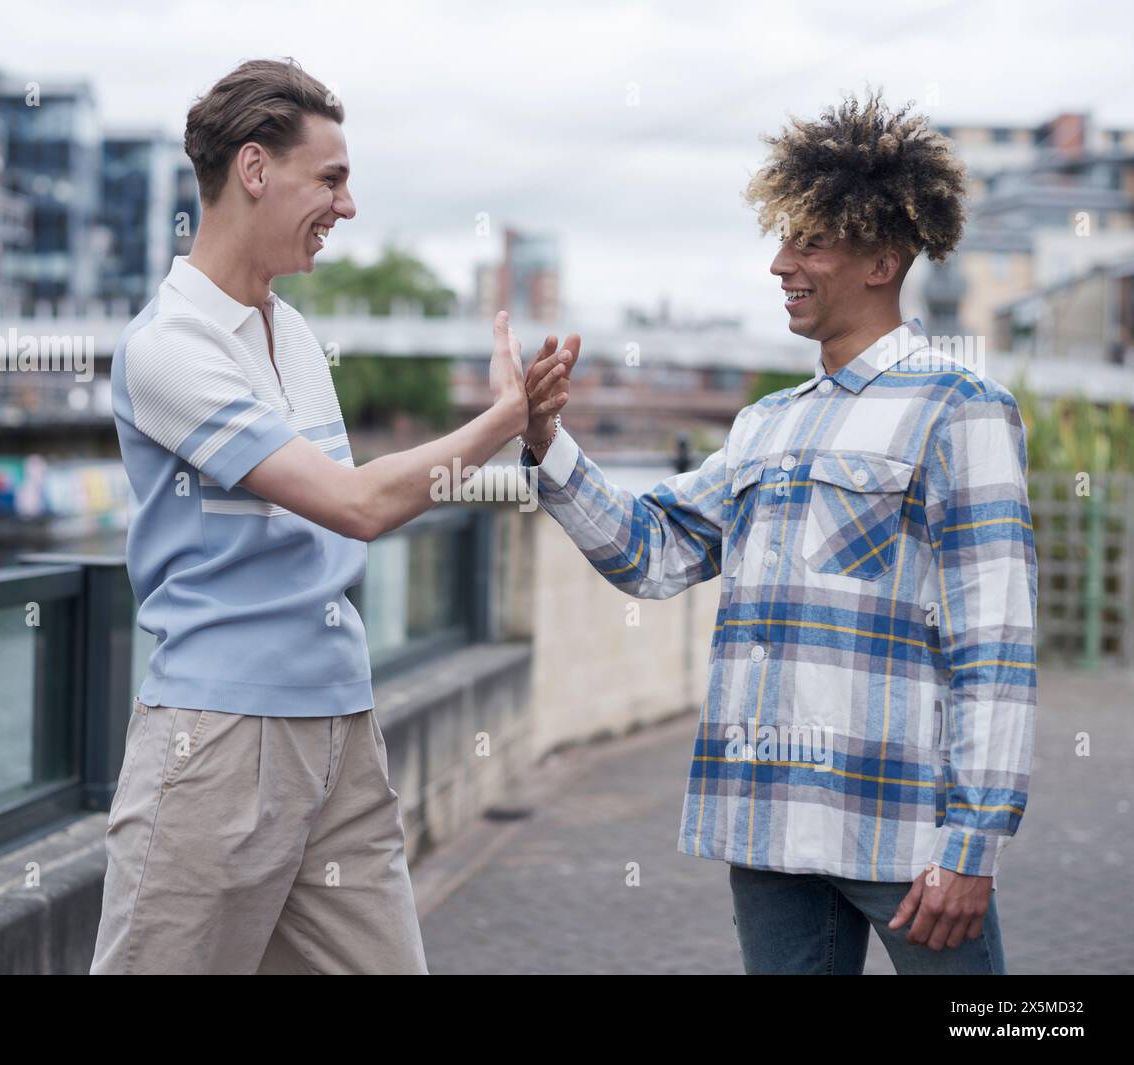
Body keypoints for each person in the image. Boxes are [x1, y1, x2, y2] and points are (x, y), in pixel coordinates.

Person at [520, 90, 1037, 975]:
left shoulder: (963, 409)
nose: (779, 264)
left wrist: (974, 843)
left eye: (808, 241)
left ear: (883, 257)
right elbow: (654, 552)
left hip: (904, 836)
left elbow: (997, 642)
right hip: (762, 824)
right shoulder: (764, 424)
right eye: (782, 238)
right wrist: (545, 444)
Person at [90, 58, 566, 974]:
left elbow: (361, 498)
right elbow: (354, 505)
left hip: (340, 725)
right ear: (256, 169)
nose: (347, 208)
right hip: (219, 739)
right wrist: (501, 421)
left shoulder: (294, 332)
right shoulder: (167, 349)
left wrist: (511, 433)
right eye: (333, 179)